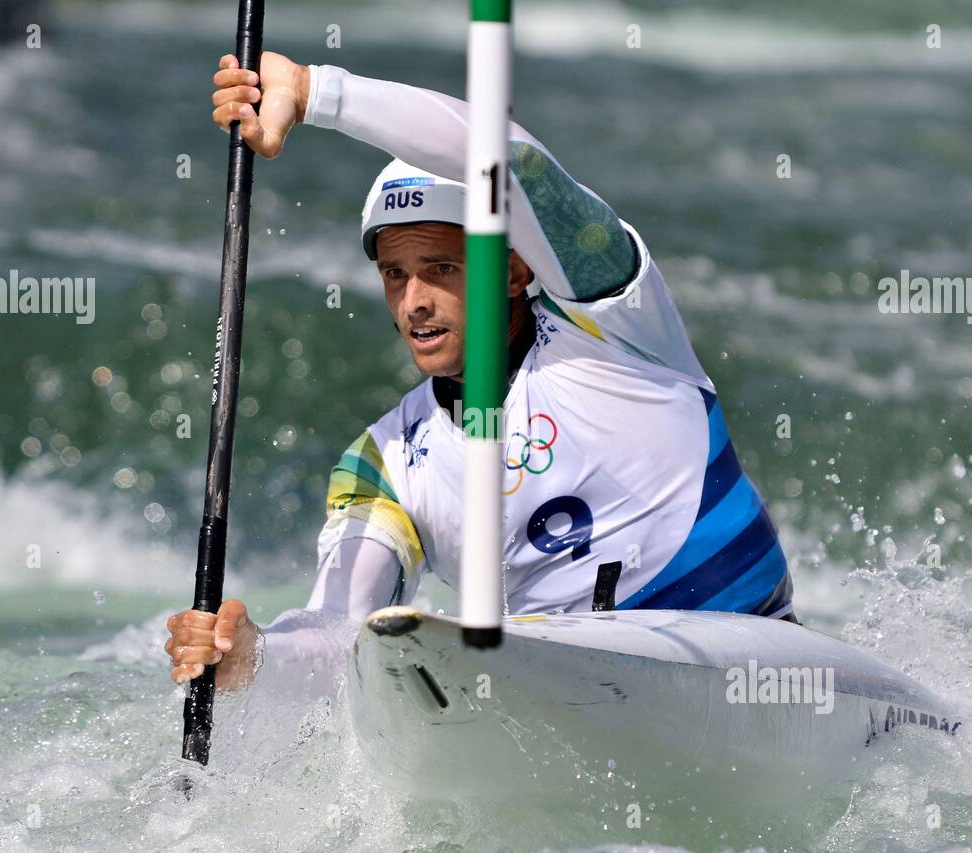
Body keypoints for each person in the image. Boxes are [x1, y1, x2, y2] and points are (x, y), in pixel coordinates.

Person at [166, 52, 794, 691]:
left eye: (442, 268)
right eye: (394, 274)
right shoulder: (384, 464)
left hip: (749, 657)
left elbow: (516, 164)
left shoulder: (613, 325)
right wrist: (255, 656)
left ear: (515, 271)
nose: (413, 302)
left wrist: (315, 91)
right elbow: (341, 634)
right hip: (572, 701)